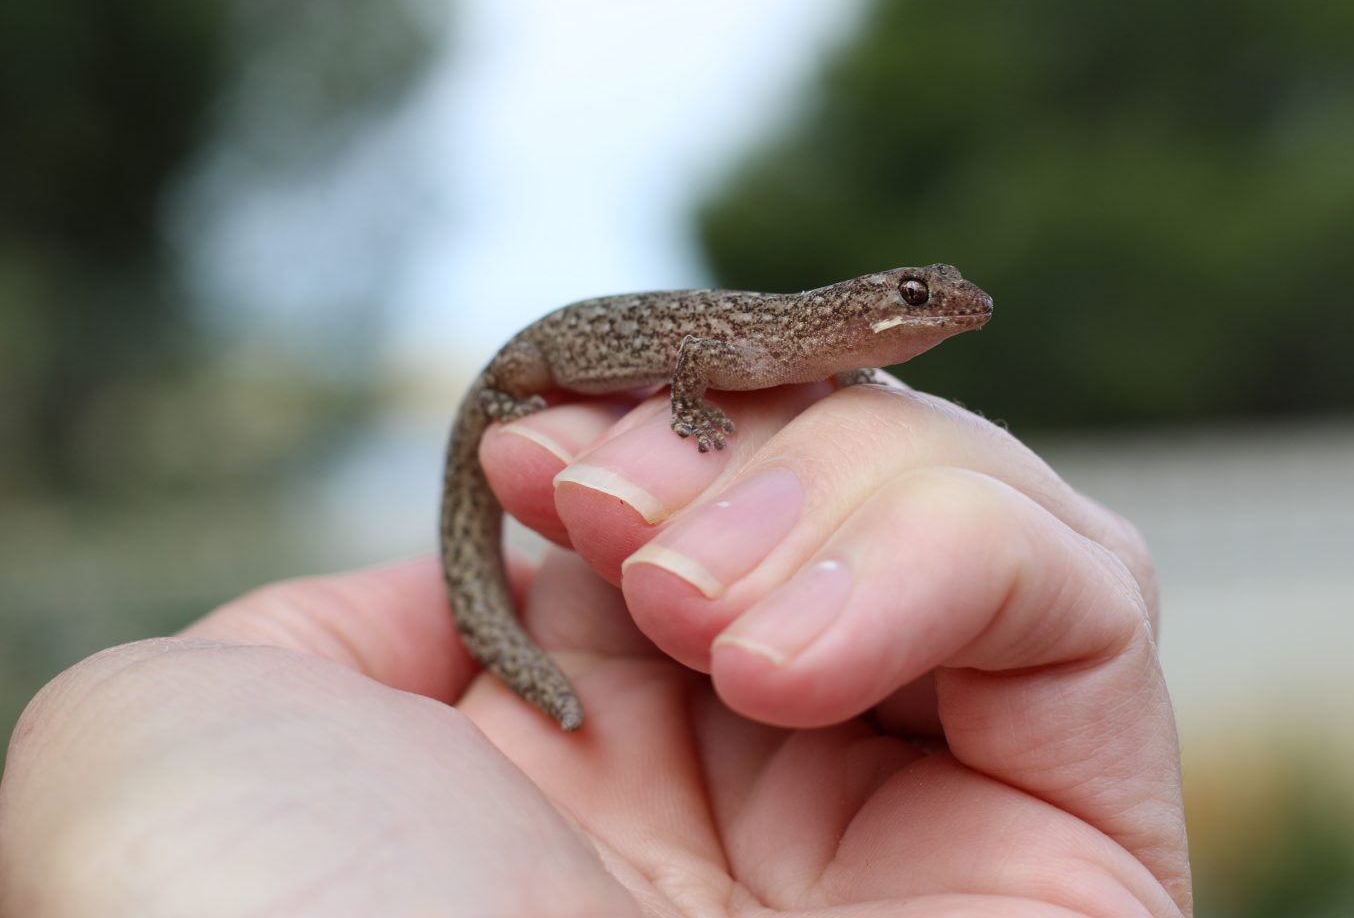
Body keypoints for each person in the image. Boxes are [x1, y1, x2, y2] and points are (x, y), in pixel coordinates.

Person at [0, 379, 1192, 916]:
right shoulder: (761, 341)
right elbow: (687, 374)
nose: (951, 310)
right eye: (927, 295)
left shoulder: (811, 365)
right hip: (518, 393)